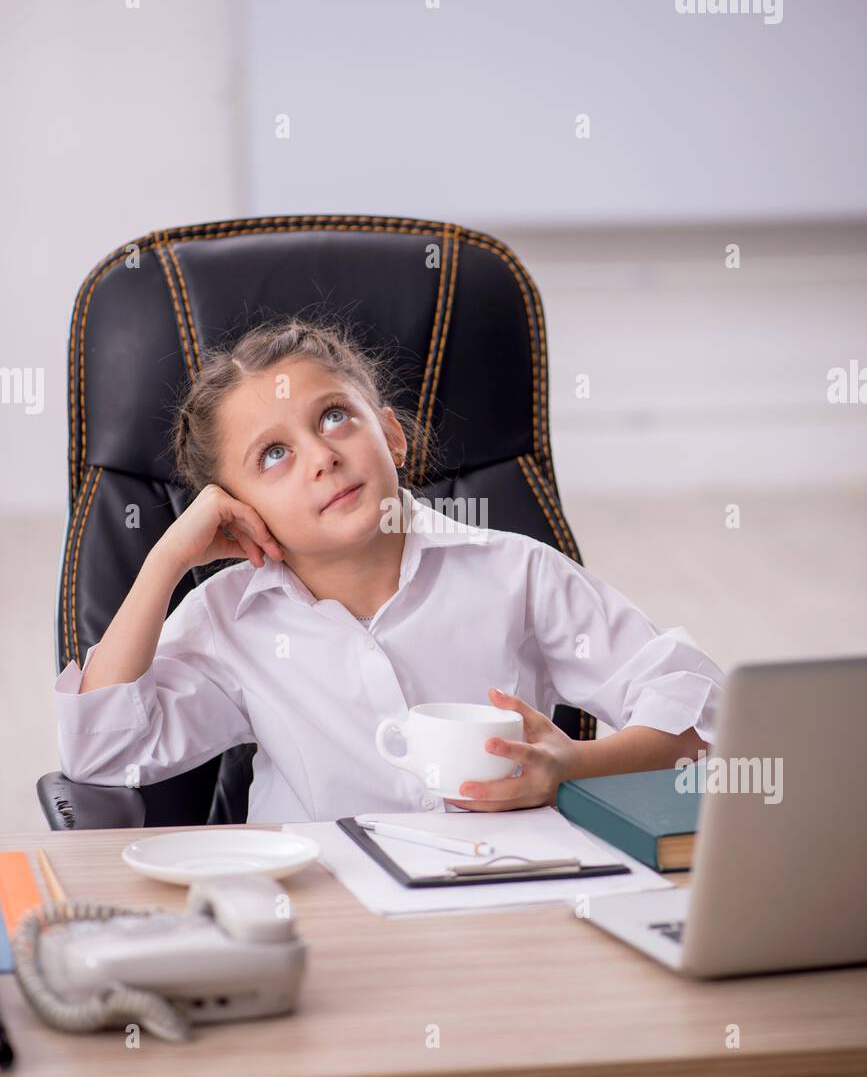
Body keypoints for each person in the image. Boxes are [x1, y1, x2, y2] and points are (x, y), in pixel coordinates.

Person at [54, 315, 725, 823]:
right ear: (234, 507)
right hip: (323, 917)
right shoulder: (228, 619)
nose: (321, 455)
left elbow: (704, 716)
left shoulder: (517, 575)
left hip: (507, 895)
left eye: (336, 417)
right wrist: (167, 558)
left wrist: (574, 767)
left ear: (391, 435)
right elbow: (102, 755)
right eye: (272, 455)